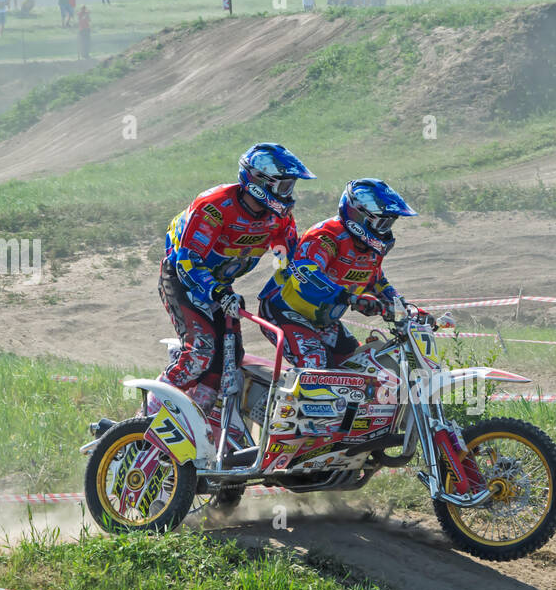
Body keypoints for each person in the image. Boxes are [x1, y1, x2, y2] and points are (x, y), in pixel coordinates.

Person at [158, 143, 315, 423]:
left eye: (291, 186)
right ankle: (149, 413)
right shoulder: (215, 207)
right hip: (184, 279)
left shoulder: (278, 217)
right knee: (202, 352)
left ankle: (197, 423)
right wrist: (216, 291)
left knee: (229, 360)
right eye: (285, 186)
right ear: (259, 183)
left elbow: (285, 258)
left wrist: (294, 286)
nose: (289, 194)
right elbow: (188, 261)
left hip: (222, 288)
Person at [258, 179, 427, 372]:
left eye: (389, 224)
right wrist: (350, 298)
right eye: (382, 222)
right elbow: (305, 274)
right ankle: (290, 402)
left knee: (360, 369)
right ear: (360, 216)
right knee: (317, 363)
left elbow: (377, 282)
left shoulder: (370, 251)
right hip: (284, 310)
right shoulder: (326, 236)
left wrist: (408, 310)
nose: (385, 230)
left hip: (323, 321)